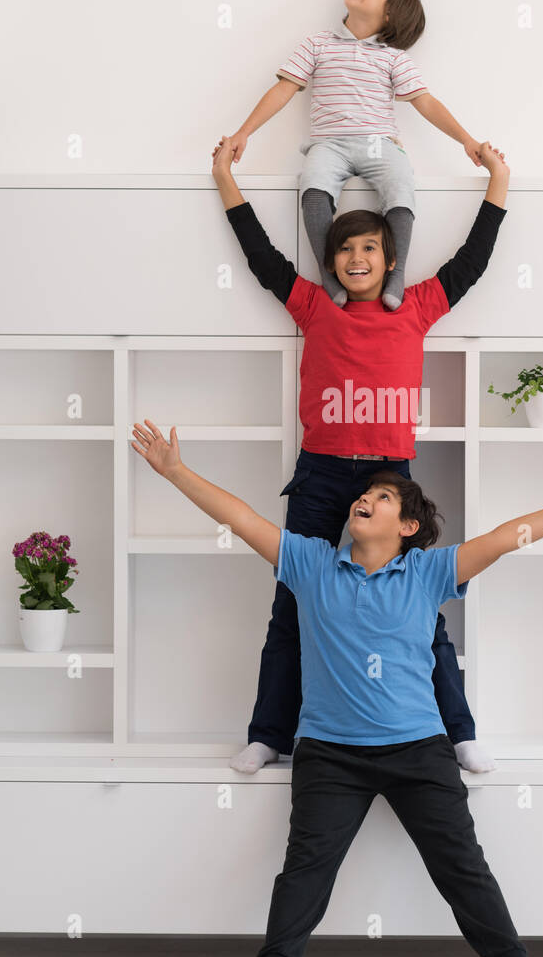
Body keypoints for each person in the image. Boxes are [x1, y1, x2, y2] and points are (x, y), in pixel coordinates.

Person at [129, 417, 543, 957]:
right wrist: (176, 471)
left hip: (419, 749)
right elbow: (239, 518)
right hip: (330, 751)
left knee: (462, 864)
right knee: (305, 867)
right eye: (363, 496)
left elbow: (501, 539)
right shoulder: (310, 564)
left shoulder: (427, 572)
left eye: (382, 498)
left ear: (408, 527)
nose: (364, 499)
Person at [212, 135, 509, 775]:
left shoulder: (418, 307)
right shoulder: (314, 306)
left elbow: (472, 261)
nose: (355, 257)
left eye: (368, 247)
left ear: (388, 258)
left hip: (388, 478)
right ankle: (269, 734)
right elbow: (262, 256)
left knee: (418, 609)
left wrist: (498, 184)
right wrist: (226, 182)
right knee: (292, 605)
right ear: (331, 260)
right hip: (321, 473)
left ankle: (458, 732)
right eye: (343, 248)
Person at [224, 0, 482, 309]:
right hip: (329, 143)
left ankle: (396, 272)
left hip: (379, 142)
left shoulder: (394, 59)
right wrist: (244, 132)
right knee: (313, 187)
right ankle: (329, 272)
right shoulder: (318, 45)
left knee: (401, 183)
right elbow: (283, 90)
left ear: (390, 14)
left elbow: (426, 102)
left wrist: (467, 140)